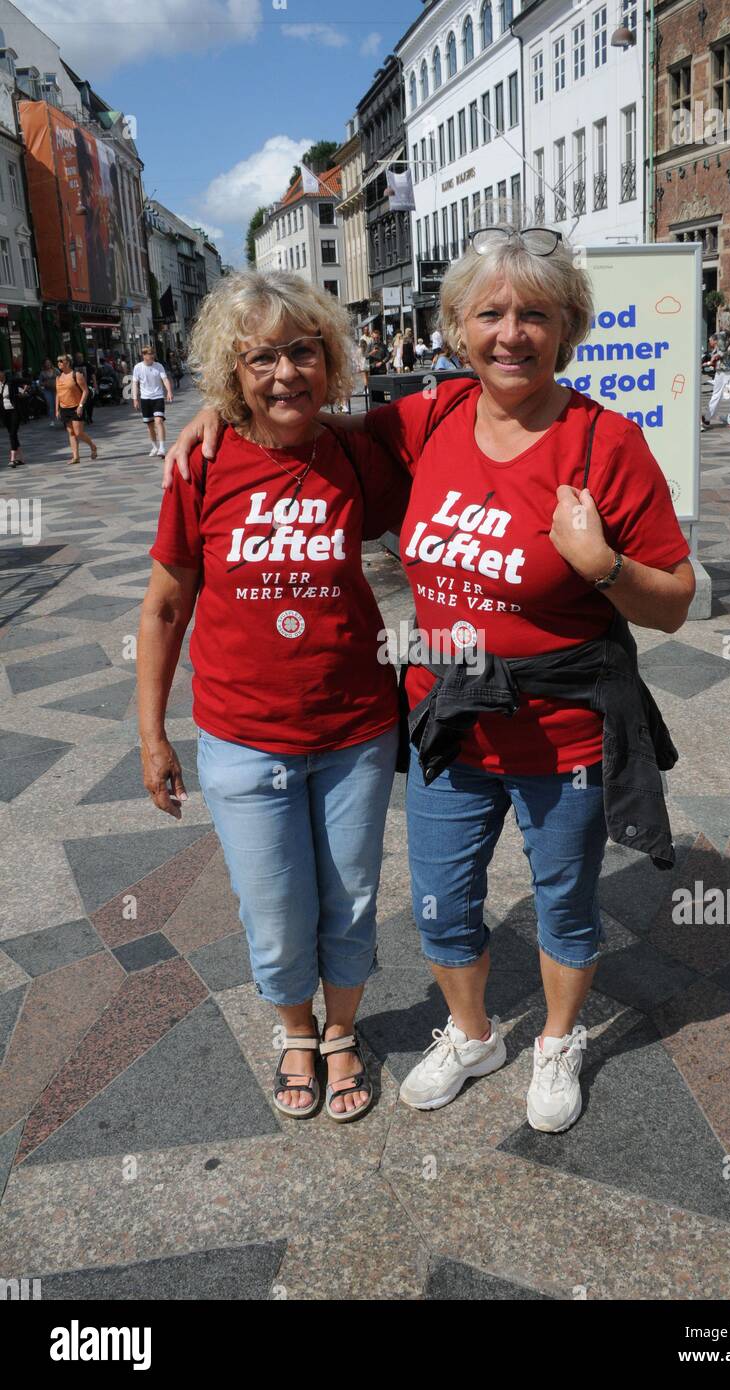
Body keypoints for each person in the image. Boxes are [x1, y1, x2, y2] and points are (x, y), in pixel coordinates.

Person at [165, 219, 695, 1134]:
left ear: (567, 327)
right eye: (488, 312)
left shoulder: (604, 443)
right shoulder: (432, 415)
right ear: (456, 329)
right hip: (448, 717)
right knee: (444, 903)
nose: (510, 333)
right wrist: (221, 409)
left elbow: (675, 600)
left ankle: (557, 1041)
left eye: (535, 313)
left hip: (561, 726)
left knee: (566, 901)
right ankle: (470, 1031)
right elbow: (303, 419)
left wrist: (600, 564)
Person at [139, 269, 410, 1121]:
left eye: (304, 352)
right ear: (233, 370)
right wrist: (151, 734)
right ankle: (295, 1030)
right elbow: (166, 605)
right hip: (242, 734)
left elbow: (471, 430)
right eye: (261, 359)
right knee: (273, 902)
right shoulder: (202, 466)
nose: (286, 373)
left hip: (355, 727)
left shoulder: (358, 451)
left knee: (352, 894)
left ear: (330, 361)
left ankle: (339, 1030)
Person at [132, 347, 174, 458]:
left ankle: (162, 447)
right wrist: (135, 399)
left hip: (158, 397)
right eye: (149, 354)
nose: (152, 356)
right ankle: (154, 446)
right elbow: (135, 383)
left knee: (159, 421)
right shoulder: (138, 367)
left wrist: (169, 391)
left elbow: (165, 379)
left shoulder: (158, 366)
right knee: (150, 426)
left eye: (153, 354)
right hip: (145, 399)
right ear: (144, 355)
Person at [55, 354, 97, 464]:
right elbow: (58, 394)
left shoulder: (76, 375)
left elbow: (85, 391)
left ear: (68, 363)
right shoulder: (58, 377)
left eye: (61, 361)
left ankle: (93, 446)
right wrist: (57, 409)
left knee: (78, 433)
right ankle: (76, 457)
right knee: (71, 433)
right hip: (64, 408)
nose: (59, 363)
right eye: (58, 361)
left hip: (76, 406)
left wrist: (81, 406)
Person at [702, 324, 730, 431]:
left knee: (717, 394)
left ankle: (707, 419)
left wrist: (715, 356)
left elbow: (721, 351)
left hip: (723, 369)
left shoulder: (720, 335)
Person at [0, 366, 24, 467]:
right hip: (4, 412)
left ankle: (13, 458)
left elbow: (27, 382)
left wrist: (23, 390)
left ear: (3, 373)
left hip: (14, 411)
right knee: (12, 434)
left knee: (12, 433)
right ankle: (21, 458)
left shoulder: (11, 382)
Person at [73, 352, 96, 425]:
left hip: (88, 386)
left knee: (89, 402)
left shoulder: (87, 365)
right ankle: (82, 417)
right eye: (78, 357)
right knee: (80, 403)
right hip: (77, 387)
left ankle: (89, 417)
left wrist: (95, 384)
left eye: (80, 357)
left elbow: (93, 375)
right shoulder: (73, 365)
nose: (79, 359)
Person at [39, 359, 58, 426]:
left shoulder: (55, 370)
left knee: (57, 403)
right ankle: (52, 420)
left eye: (49, 363)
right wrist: (45, 384)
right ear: (44, 364)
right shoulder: (42, 373)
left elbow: (61, 377)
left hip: (56, 389)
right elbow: (40, 382)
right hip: (47, 390)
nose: (48, 364)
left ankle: (59, 416)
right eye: (46, 363)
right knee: (50, 404)